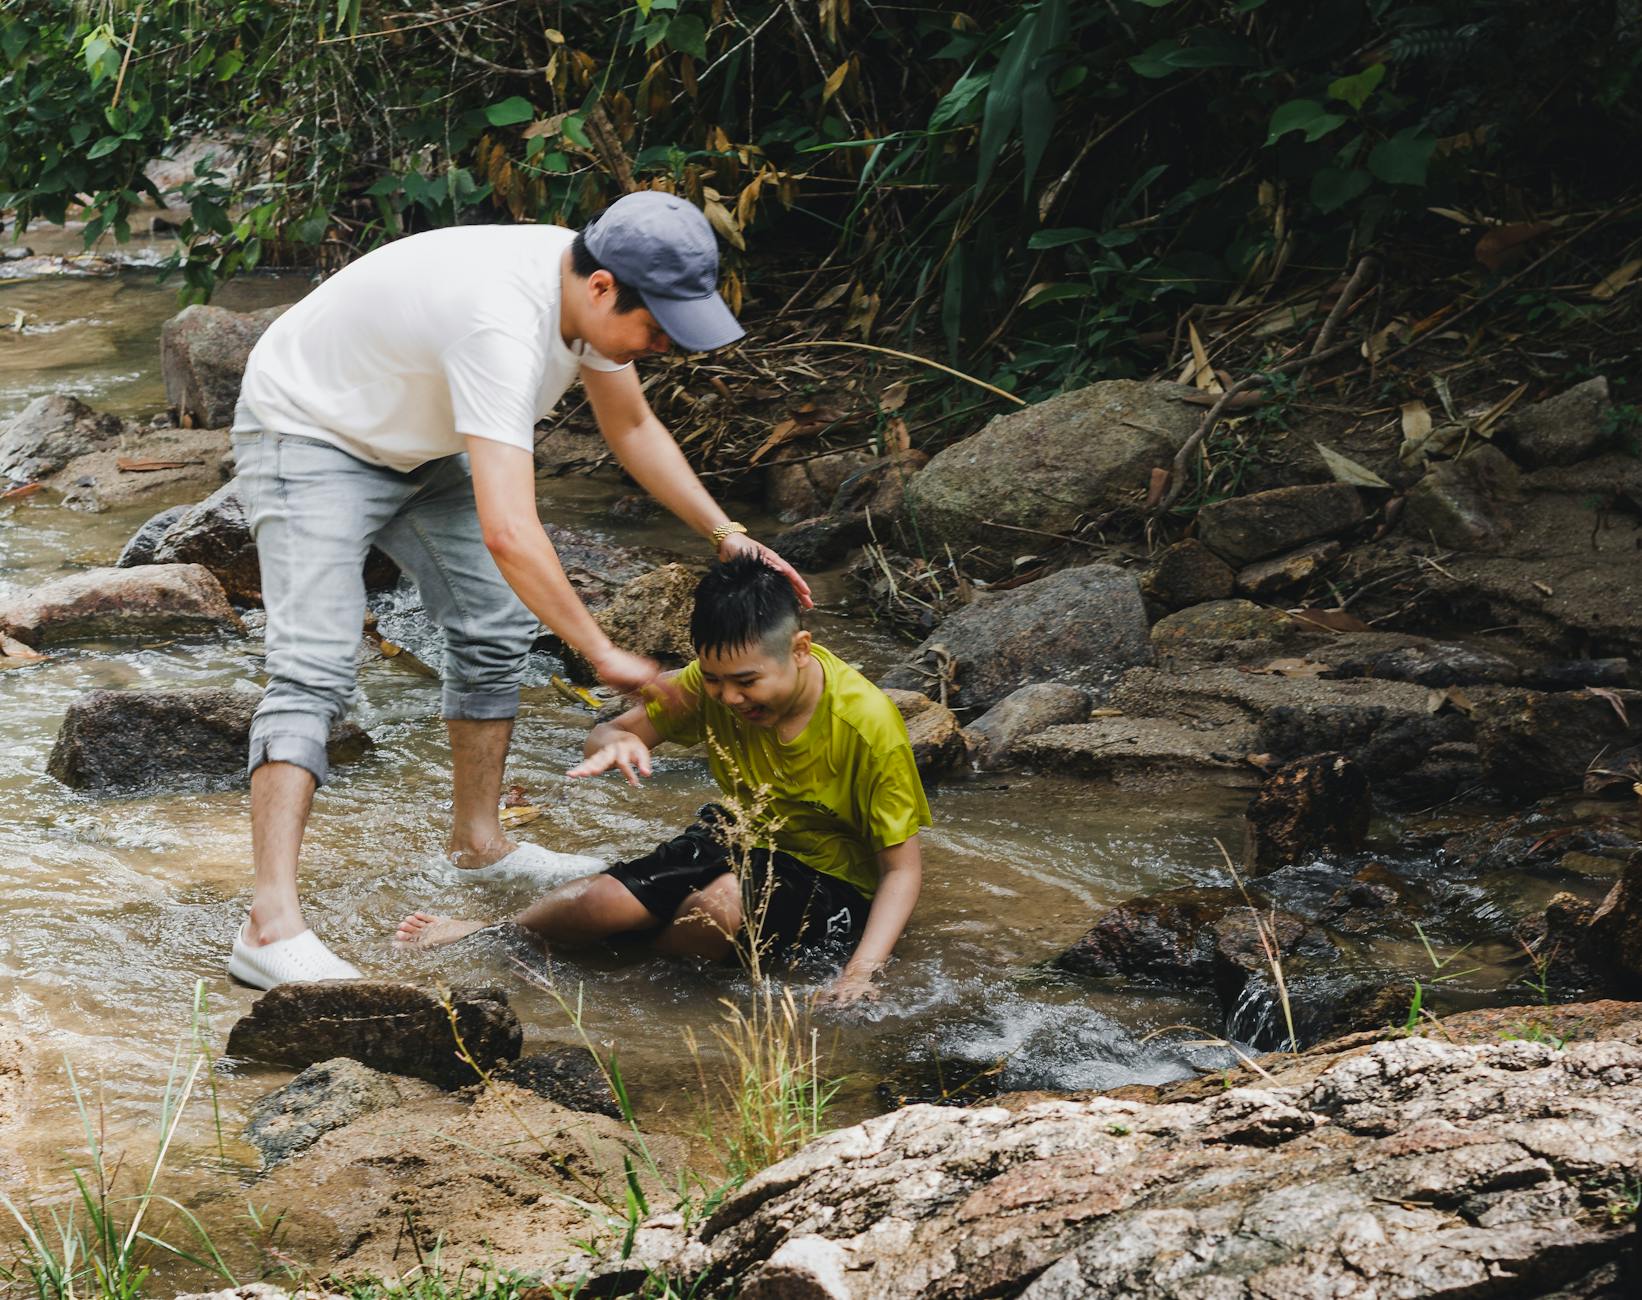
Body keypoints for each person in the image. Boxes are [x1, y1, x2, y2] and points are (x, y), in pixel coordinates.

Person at [226, 191, 810, 991]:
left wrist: (726, 533)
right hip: (311, 430)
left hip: (418, 441)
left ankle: (479, 844)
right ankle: (270, 926)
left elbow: (633, 428)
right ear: (603, 288)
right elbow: (511, 530)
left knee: (492, 628)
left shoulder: (588, 292)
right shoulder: (501, 322)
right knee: (316, 670)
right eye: (658, 326)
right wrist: (599, 649)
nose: (665, 344)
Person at [395, 554, 928, 1007]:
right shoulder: (708, 685)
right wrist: (615, 741)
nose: (730, 699)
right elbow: (606, 734)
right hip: (740, 833)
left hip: (830, 877)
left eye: (747, 683)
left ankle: (642, 983)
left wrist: (862, 972)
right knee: (593, 905)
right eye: (715, 680)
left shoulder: (867, 725)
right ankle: (497, 933)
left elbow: (901, 871)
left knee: (711, 912)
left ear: (802, 650)